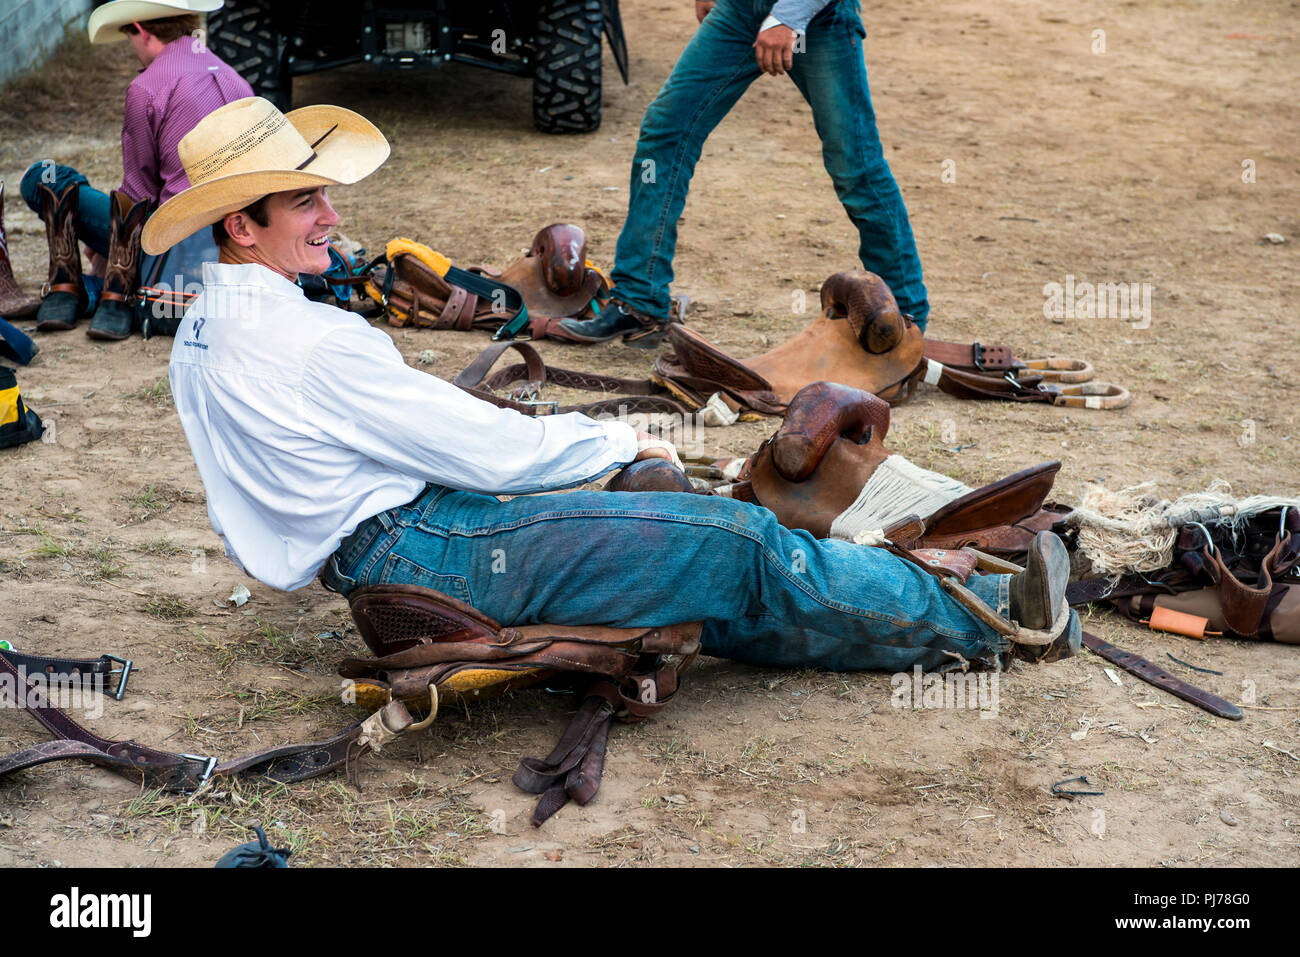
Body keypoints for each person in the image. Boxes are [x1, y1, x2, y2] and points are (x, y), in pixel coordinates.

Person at [145, 97, 1080, 679]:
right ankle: (976, 618)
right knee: (732, 535)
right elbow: (484, 450)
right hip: (426, 547)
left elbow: (259, 507)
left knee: (683, 544)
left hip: (373, 552)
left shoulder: (198, 335)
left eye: (320, 193)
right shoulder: (310, 340)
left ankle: (868, 593)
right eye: (305, 200)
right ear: (240, 225)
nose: (331, 213)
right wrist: (619, 438)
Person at [556, 0, 929, 348]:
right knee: (665, 133)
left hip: (820, 17)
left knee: (856, 167)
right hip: (739, 9)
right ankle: (639, 299)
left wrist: (788, 15)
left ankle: (901, 322)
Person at [20, 0, 249, 340]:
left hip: (171, 243)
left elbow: (139, 193)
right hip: (238, 238)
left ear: (141, 30)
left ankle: (76, 284)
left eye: (129, 36)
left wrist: (107, 244)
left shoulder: (148, 87)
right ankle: (91, 285)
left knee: (42, 176)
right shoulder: (234, 78)